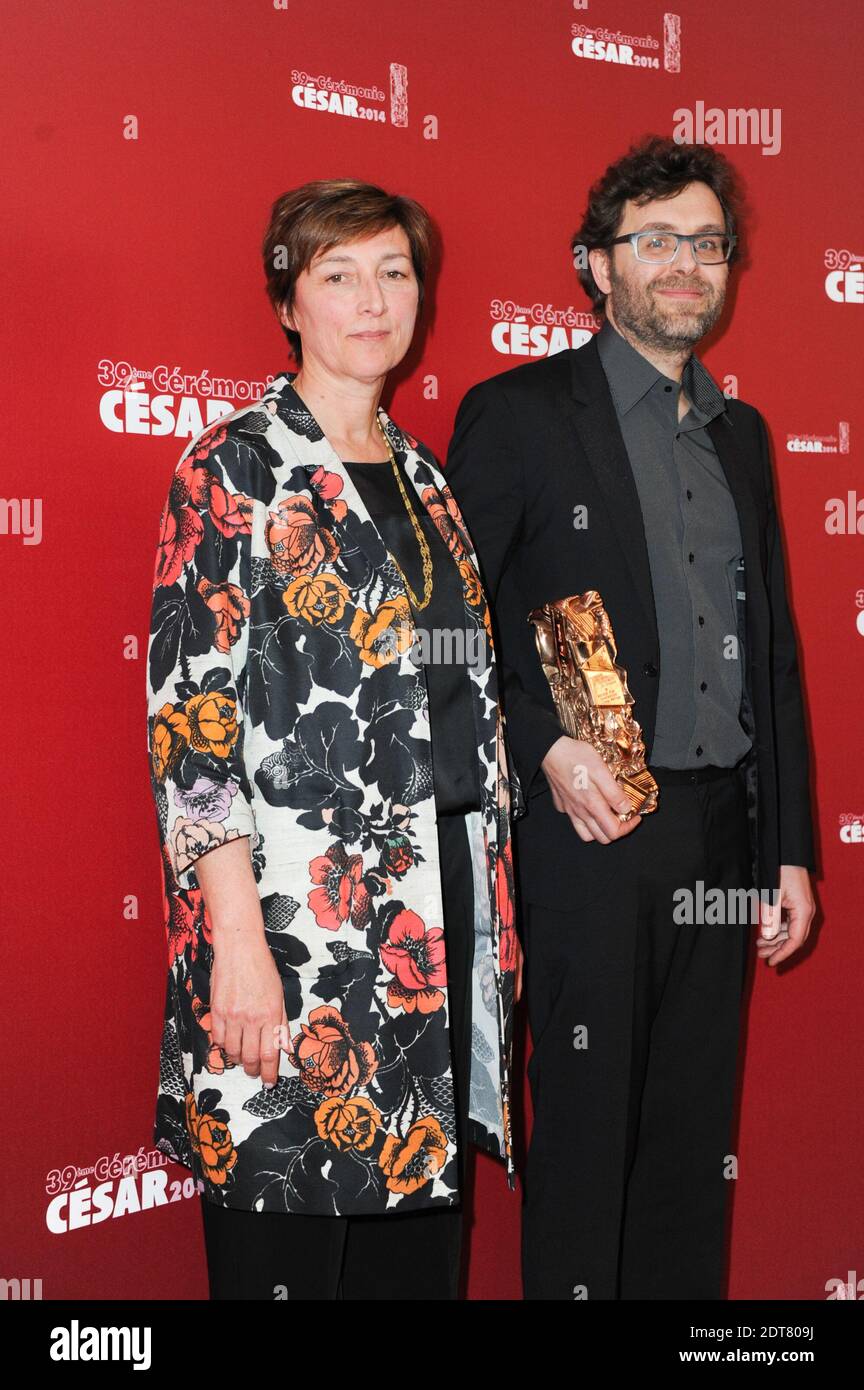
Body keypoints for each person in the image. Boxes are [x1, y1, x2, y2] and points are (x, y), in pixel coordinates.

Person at [445, 136, 817, 1300]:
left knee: (690, 1146)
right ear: (594, 265)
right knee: (591, 1143)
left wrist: (789, 848)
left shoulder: (741, 435)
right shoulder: (515, 414)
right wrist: (542, 743)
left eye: (707, 243)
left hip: (718, 835)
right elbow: (455, 632)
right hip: (592, 834)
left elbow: (776, 659)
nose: (687, 265)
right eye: (656, 240)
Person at [145, 179, 524, 1300]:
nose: (373, 299)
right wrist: (238, 943)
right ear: (290, 302)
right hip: (290, 930)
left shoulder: (428, 483)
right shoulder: (233, 468)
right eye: (339, 274)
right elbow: (190, 726)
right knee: (286, 1239)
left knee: (416, 1260)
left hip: (437, 920)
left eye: (395, 273)